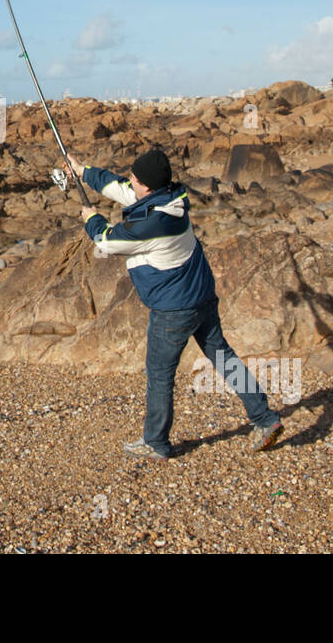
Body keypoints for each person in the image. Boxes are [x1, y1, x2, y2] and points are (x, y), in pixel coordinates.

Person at [66, 148, 284, 459]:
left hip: (173, 310)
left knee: (159, 375)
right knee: (223, 357)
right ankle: (265, 419)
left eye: (135, 178)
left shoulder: (156, 224)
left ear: (148, 187)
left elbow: (108, 241)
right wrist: (82, 170)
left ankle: (155, 442)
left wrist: (92, 219)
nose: (130, 181)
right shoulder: (171, 198)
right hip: (201, 296)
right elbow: (120, 188)